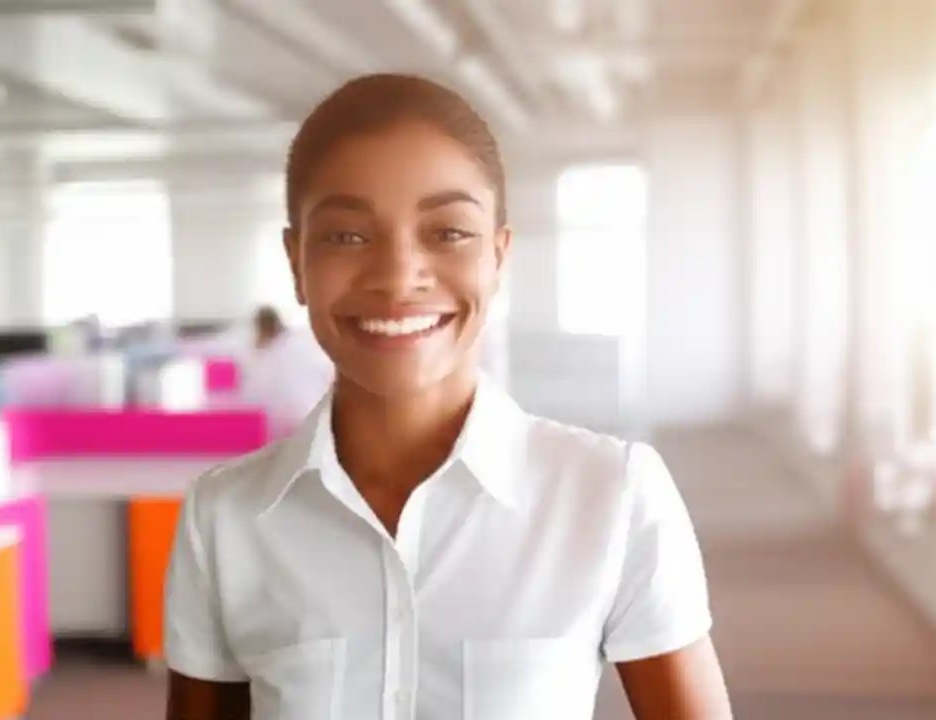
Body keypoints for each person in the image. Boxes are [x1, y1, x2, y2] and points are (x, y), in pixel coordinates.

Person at [164, 74, 732, 719]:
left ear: (499, 256)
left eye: (448, 232)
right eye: (347, 235)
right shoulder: (225, 517)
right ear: (296, 262)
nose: (397, 277)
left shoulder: (610, 493)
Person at [239, 305, 334, 434]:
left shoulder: (274, 352)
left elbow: (256, 390)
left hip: (293, 416)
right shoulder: (295, 342)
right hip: (310, 412)